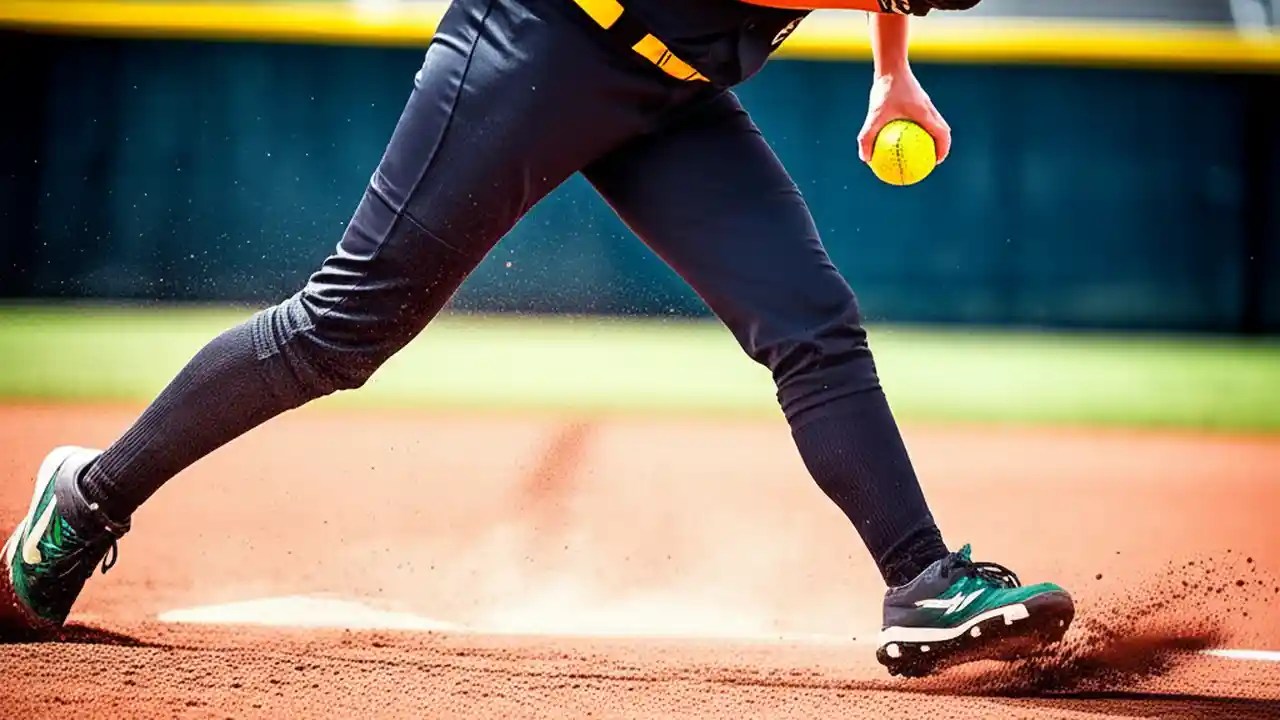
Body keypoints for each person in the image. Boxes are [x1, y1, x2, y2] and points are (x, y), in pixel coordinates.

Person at [0, 0, 1072, 677]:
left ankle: (920, 579)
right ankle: (86, 501)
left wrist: (890, 66)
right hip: (541, 41)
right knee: (343, 329)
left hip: (676, 88)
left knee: (812, 326)